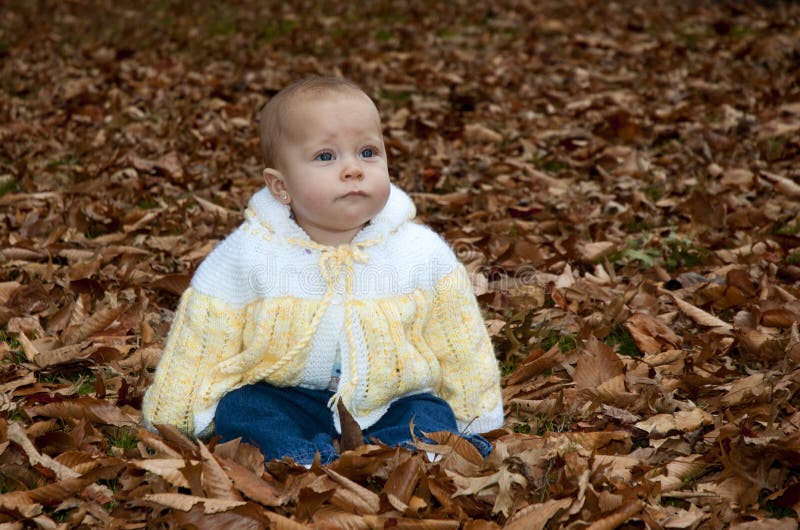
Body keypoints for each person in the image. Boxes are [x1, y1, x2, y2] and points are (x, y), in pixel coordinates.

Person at [141, 76, 503, 465]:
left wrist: (476, 414)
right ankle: (299, 457)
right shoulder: (249, 254)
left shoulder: (420, 252)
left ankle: (407, 457)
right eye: (326, 157)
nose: (353, 169)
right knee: (242, 408)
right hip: (290, 395)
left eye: (368, 152)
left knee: (429, 413)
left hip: (392, 397)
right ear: (281, 187)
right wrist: (172, 414)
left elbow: (460, 339)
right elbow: (203, 335)